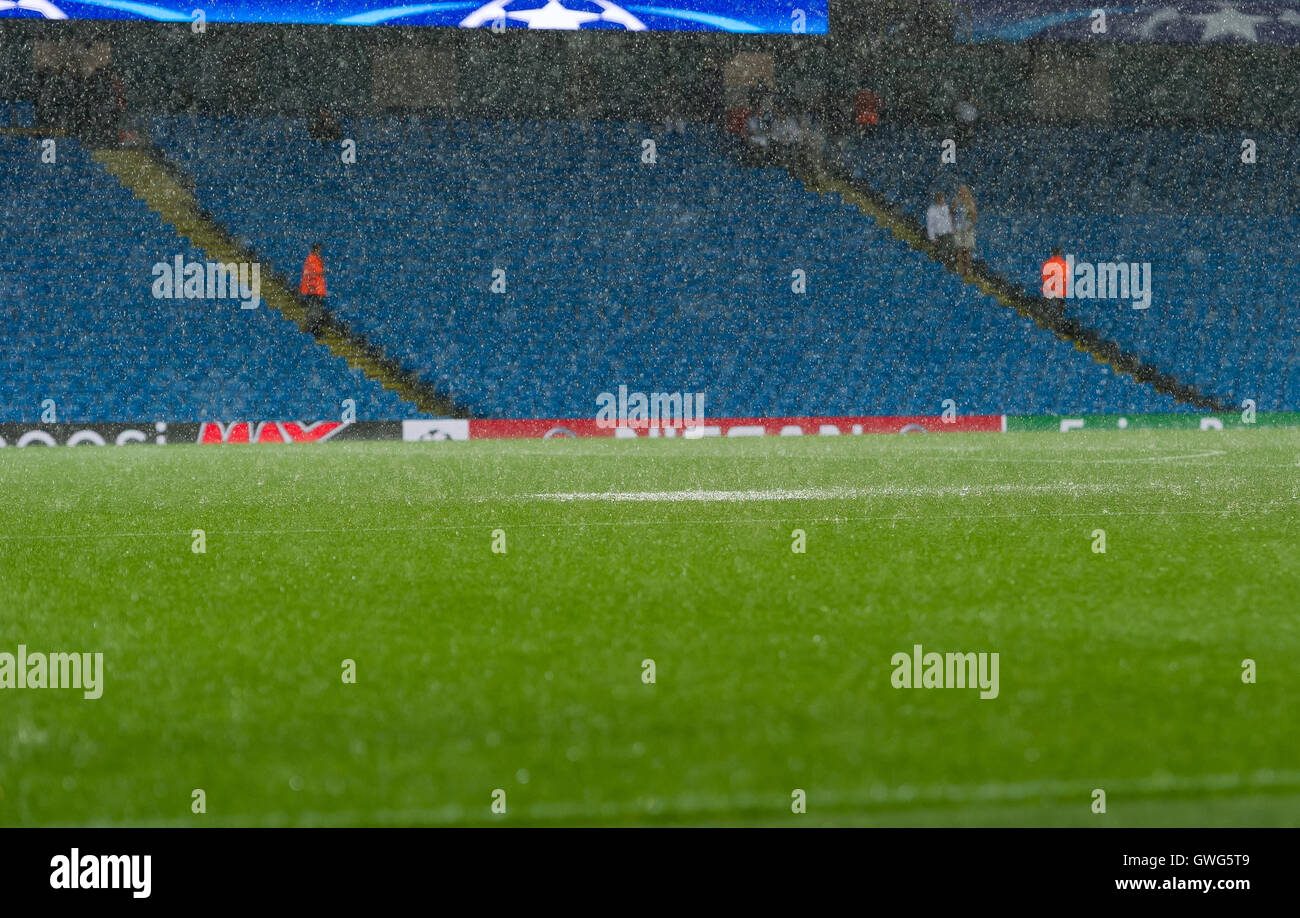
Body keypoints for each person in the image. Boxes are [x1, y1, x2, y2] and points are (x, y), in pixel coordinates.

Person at [300, 243, 328, 334]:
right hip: (314, 290)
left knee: (316, 311)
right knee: (314, 311)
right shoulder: (312, 259)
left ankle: (314, 329)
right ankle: (314, 330)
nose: (320, 251)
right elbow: (315, 272)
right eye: (318, 249)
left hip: (317, 290)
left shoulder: (315, 259)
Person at [952, 185, 977, 274]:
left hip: (967, 227)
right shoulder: (956, 202)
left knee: (967, 249)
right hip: (959, 227)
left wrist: (971, 225)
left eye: (964, 191)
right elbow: (952, 213)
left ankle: (968, 267)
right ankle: (960, 267)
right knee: (959, 248)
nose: (962, 193)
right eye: (961, 191)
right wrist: (953, 225)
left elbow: (974, 214)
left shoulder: (970, 202)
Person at [925, 192, 953, 257]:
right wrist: (932, 237)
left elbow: (948, 220)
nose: (942, 200)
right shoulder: (931, 210)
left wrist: (951, 230)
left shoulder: (946, 208)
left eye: (943, 198)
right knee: (939, 254)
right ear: (937, 199)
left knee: (948, 253)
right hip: (937, 235)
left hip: (947, 234)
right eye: (941, 198)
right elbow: (930, 224)